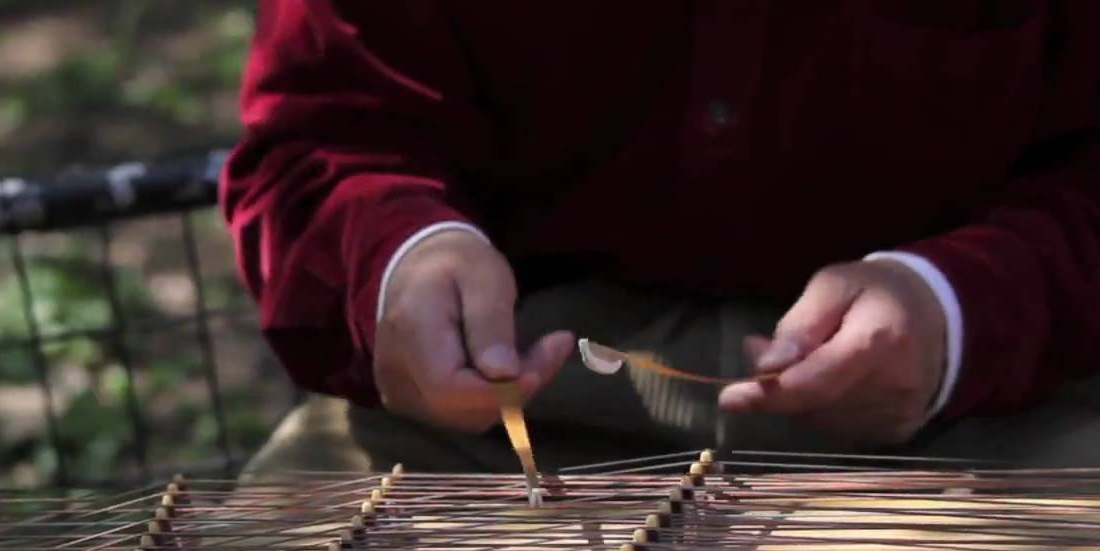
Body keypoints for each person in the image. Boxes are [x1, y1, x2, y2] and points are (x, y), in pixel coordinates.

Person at [220, 1, 1100, 476]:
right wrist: (400, 257)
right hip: (501, 418)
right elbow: (323, 136)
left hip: (978, 417)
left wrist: (961, 310)